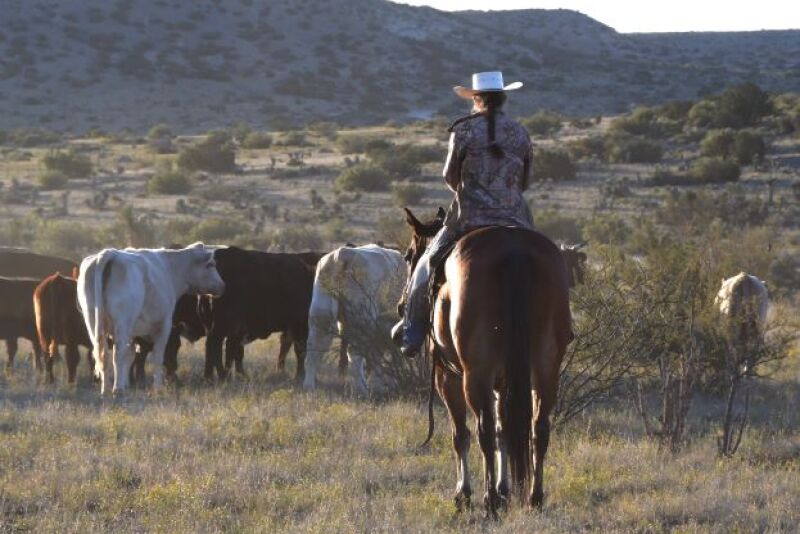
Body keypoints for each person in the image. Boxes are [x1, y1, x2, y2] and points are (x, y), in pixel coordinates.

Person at [393, 71, 535, 357]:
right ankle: (563, 324)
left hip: (470, 218)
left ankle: (414, 329)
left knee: (427, 263)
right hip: (516, 218)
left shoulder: (464, 130)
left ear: (477, 99)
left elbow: (450, 176)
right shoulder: (521, 132)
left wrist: (471, 190)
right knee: (549, 256)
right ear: (503, 98)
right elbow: (526, 182)